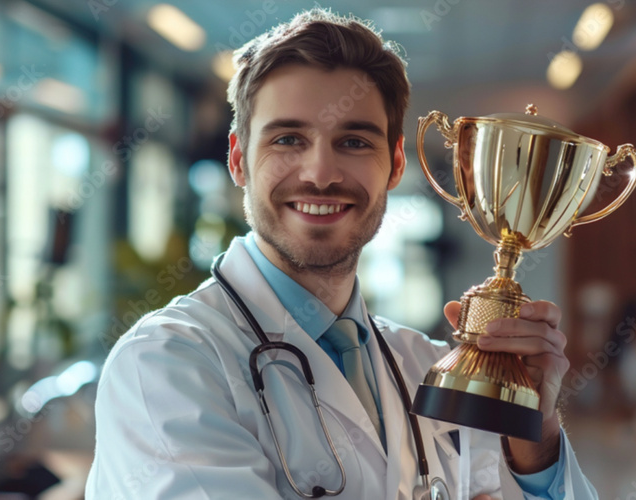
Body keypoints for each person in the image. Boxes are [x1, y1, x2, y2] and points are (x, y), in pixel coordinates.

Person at [85, 9, 598, 500]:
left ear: (395, 165)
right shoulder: (166, 364)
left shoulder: (423, 364)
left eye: (354, 141)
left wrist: (538, 442)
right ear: (239, 159)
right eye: (288, 138)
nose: (321, 173)